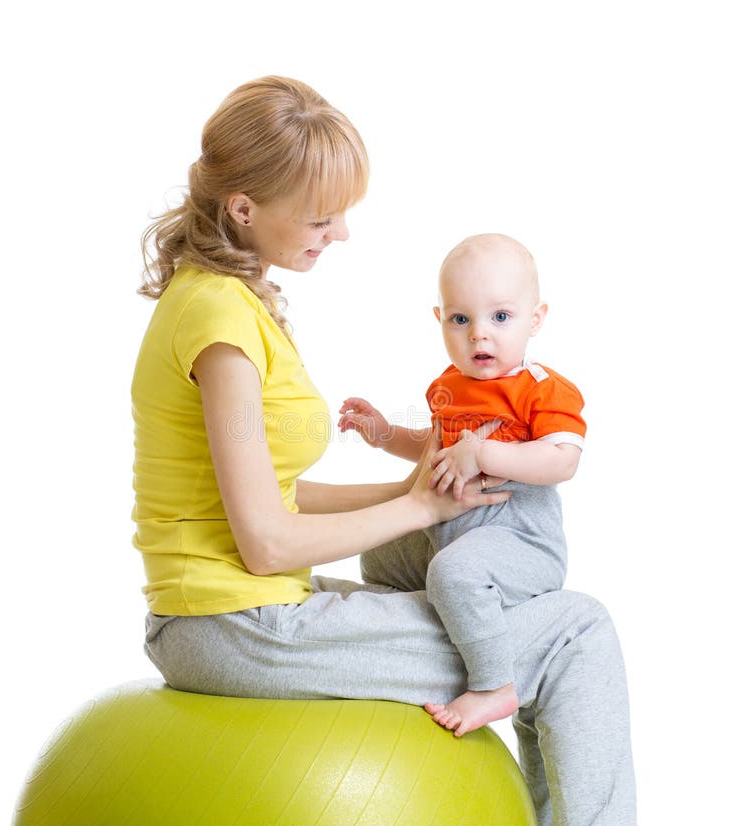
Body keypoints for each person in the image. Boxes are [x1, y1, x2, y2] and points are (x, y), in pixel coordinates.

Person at [133, 75, 636, 825]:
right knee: (575, 631)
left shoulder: (219, 301)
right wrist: (415, 506)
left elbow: (277, 496)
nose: (340, 233)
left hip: (225, 616)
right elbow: (267, 541)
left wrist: (417, 495)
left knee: (457, 585)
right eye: (322, 215)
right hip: (234, 627)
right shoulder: (221, 329)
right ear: (244, 208)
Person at [339, 233, 585, 737]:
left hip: (520, 540)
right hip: (452, 526)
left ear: (534, 319)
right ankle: (424, 632)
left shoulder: (540, 387)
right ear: (441, 321)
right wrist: (385, 434)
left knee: (453, 572)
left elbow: (562, 461)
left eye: (500, 317)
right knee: (378, 554)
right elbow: (437, 447)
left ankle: (494, 684)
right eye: (461, 319)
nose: (480, 336)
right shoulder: (448, 386)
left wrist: (486, 453)